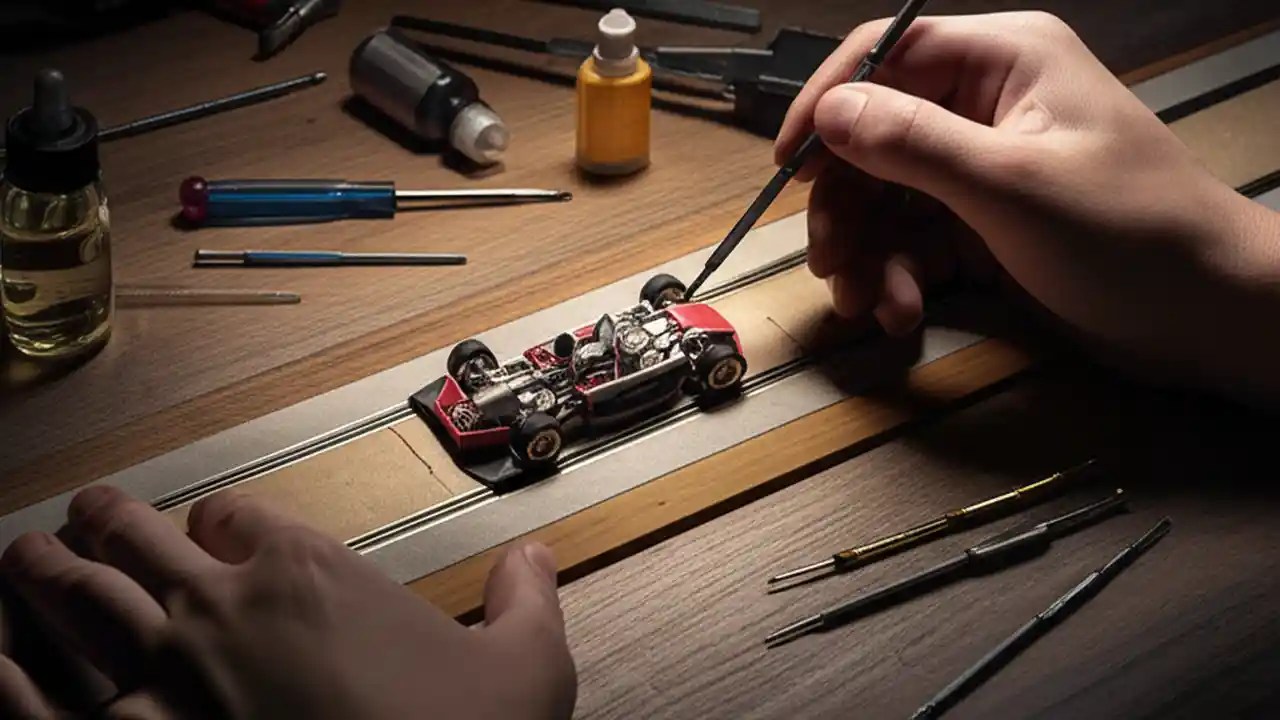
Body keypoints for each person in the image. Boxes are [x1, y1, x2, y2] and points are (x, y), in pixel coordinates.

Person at [2, 10, 1276, 720]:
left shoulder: (668, 350)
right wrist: (1230, 291)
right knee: (554, 373)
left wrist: (1227, 288)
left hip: (610, 378)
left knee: (593, 369)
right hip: (575, 382)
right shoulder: (544, 391)